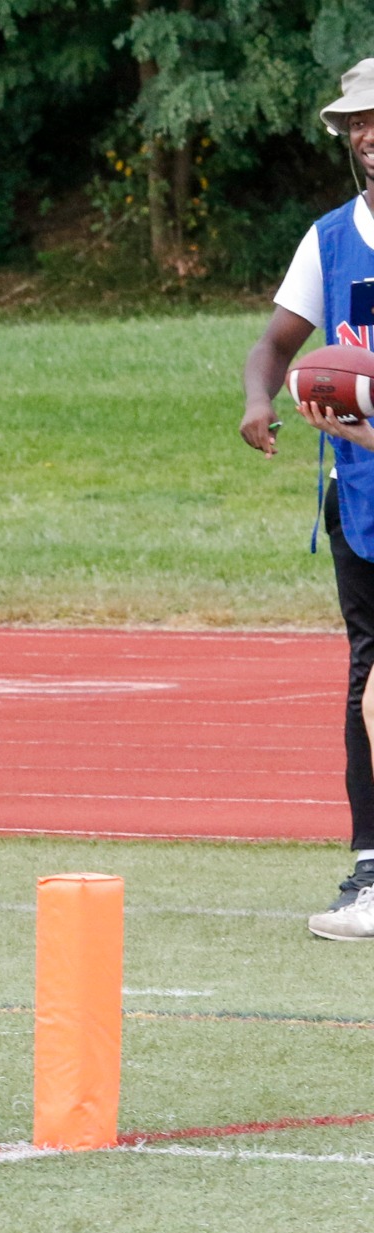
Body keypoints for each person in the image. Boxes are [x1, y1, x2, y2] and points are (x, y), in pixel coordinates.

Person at [238, 57, 374, 938]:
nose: (368, 132)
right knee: (369, 676)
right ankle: (371, 863)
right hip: (361, 492)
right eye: (357, 121)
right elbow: (276, 344)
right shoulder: (330, 238)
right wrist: (260, 400)